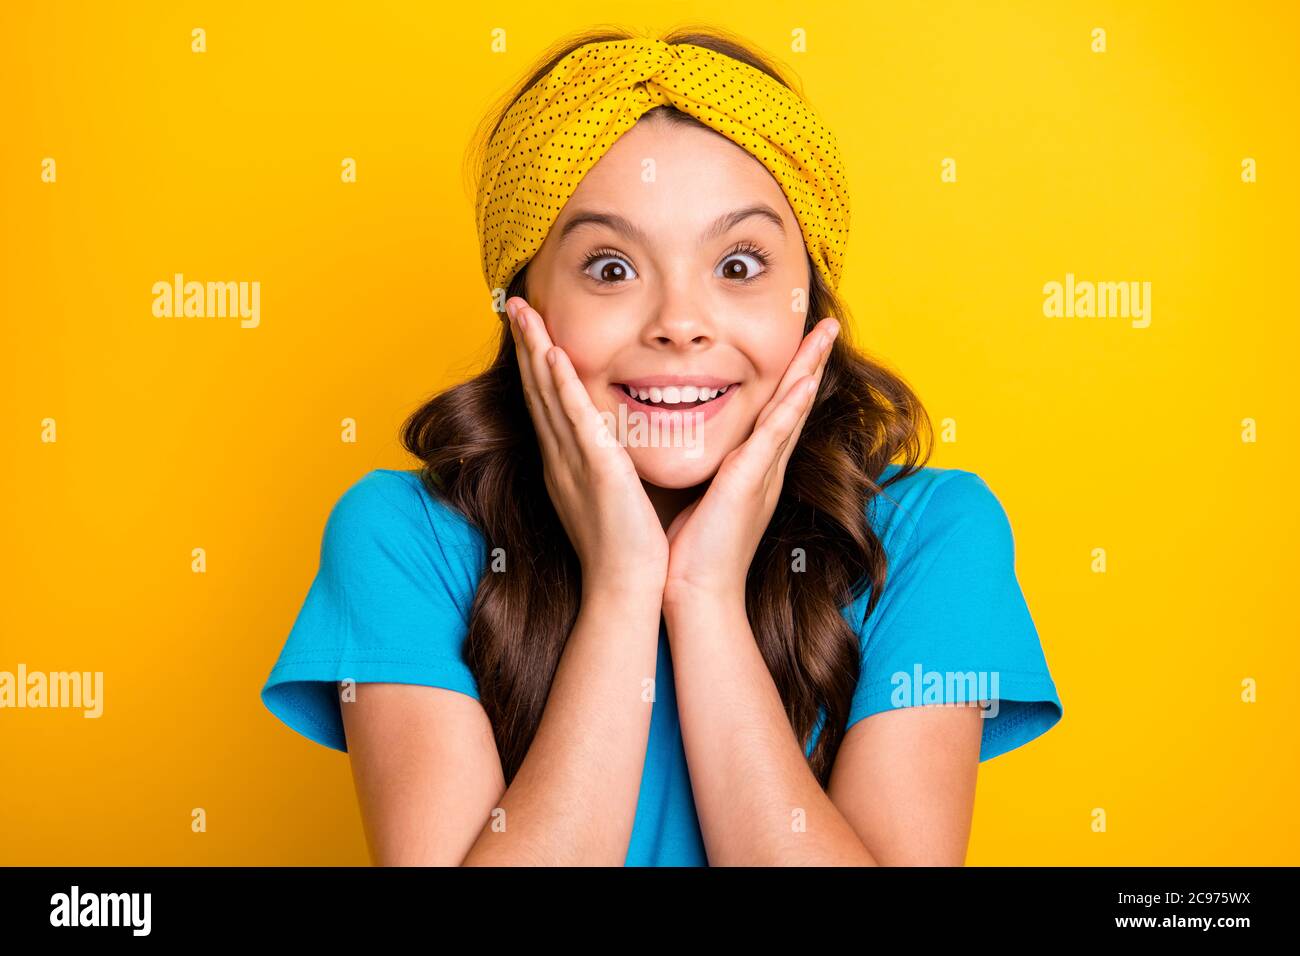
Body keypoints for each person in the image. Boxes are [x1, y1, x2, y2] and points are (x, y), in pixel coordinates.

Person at [260, 26, 1063, 866]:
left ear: (810, 299)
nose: (679, 324)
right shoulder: (401, 539)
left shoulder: (932, 538)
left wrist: (706, 597)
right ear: (521, 304)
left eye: (740, 265)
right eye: (610, 268)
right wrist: (622, 585)